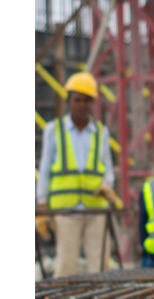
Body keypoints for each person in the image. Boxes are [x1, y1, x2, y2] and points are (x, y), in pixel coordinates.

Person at [36, 72, 117, 278]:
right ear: (69, 102)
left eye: (87, 100)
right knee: (66, 265)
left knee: (99, 265)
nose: (82, 104)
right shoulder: (54, 130)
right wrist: (42, 204)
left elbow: (107, 167)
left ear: (93, 103)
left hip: (95, 208)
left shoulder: (101, 132)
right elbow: (45, 168)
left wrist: (107, 185)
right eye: (77, 100)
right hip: (65, 209)